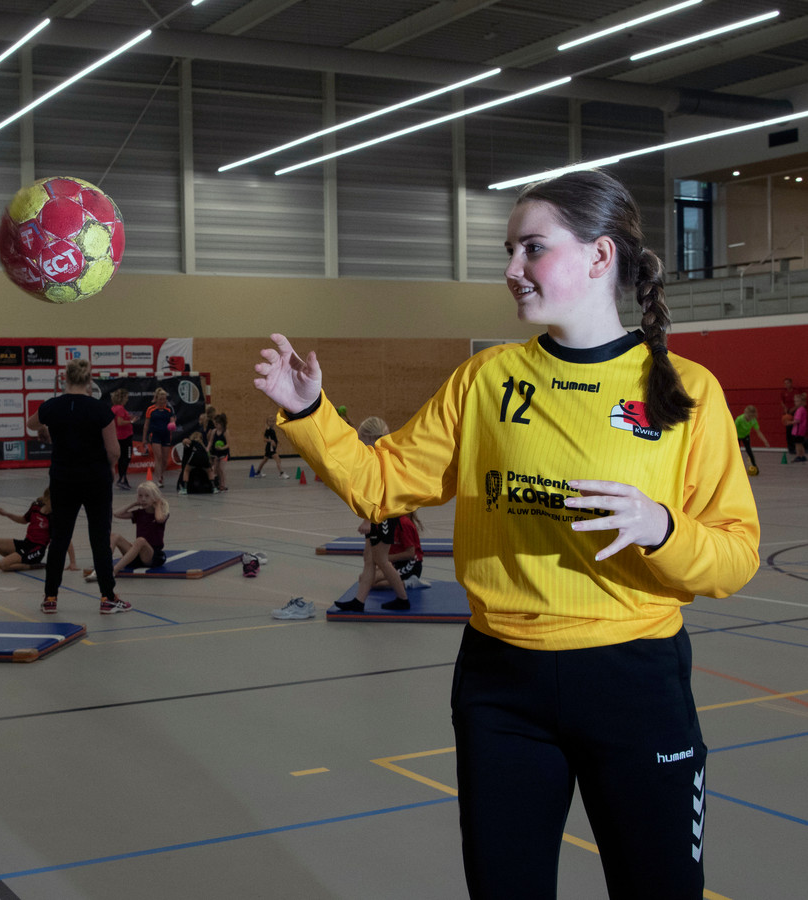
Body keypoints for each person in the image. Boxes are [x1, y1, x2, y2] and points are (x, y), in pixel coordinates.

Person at [254, 169, 759, 899]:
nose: (512, 268)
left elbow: (735, 555)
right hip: (501, 686)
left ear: (600, 255)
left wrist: (663, 528)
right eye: (509, 251)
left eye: (533, 248)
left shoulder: (687, 391)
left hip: (634, 682)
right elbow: (381, 483)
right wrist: (309, 414)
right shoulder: (486, 380)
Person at [29, 358, 128, 614]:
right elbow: (114, 450)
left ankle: (50, 597)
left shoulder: (52, 406)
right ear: (89, 381)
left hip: (63, 480)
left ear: (65, 378)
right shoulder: (100, 409)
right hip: (96, 481)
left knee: (60, 538)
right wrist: (111, 469)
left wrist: (46, 428)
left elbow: (31, 424)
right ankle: (108, 597)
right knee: (99, 539)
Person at [331, 417, 411, 612]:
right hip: (380, 513)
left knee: (381, 559)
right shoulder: (382, 454)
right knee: (369, 558)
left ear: (369, 437)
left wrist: (368, 520)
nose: (359, 441)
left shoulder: (377, 458)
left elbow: (376, 491)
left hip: (382, 515)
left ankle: (402, 598)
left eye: (361, 438)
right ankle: (359, 601)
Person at [90, 482, 169, 579]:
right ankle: (103, 567)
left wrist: (158, 504)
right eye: (140, 496)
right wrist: (134, 504)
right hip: (137, 556)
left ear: (155, 498)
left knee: (140, 540)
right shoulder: (139, 513)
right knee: (115, 536)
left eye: (147, 496)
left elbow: (159, 519)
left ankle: (114, 571)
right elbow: (117, 514)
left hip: (152, 556)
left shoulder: (163, 512)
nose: (143, 499)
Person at [0, 489, 76, 572]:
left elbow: (66, 538)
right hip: (26, 543)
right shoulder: (35, 507)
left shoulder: (54, 517)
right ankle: (19, 559)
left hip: (37, 550)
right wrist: (6, 514)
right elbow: (23, 520)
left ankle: (31, 565)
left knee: (2, 565)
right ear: (46, 500)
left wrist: (72, 562)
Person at [142, 387, 176, 487]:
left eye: (164, 399)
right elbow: (146, 425)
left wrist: (173, 423)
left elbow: (172, 420)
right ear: (156, 399)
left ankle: (161, 474)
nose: (163, 401)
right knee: (158, 457)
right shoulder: (150, 409)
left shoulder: (169, 409)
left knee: (165, 460)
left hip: (166, 435)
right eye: (161, 399)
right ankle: (159, 479)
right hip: (155, 435)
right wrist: (144, 439)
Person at [109, 388, 135, 490]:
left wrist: (128, 418)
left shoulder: (114, 408)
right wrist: (131, 421)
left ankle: (122, 478)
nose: (127, 400)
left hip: (119, 436)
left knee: (122, 459)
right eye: (126, 398)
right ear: (122, 398)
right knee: (126, 458)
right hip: (125, 437)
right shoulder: (119, 408)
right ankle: (122, 478)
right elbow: (119, 422)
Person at [733, 405, 769, 472]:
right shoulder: (739, 419)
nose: (749, 419)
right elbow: (732, 429)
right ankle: (735, 467)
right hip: (737, 436)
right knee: (736, 451)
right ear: (745, 413)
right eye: (748, 417)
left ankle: (754, 465)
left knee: (749, 450)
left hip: (746, 436)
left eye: (751, 417)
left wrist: (765, 441)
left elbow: (758, 432)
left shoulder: (753, 421)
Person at [209, 412, 232, 491]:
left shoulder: (225, 432)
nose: (215, 425)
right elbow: (210, 442)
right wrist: (207, 448)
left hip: (224, 454)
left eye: (217, 424)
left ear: (221, 424)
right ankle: (217, 483)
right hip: (216, 453)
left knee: (221, 469)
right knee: (215, 469)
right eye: (215, 423)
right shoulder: (214, 431)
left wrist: (222, 448)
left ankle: (223, 485)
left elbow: (228, 444)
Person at [780, 377, 797, 452]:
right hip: (787, 413)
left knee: (796, 429)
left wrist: (794, 408)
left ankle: (797, 446)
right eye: (785, 383)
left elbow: (799, 401)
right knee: (788, 430)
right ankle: (790, 447)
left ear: (791, 383)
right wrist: (785, 408)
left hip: (795, 412)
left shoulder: (796, 391)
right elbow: (782, 402)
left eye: (788, 383)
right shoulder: (783, 392)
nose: (786, 385)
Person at [792, 393, 808, 463]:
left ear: (801, 402)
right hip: (802, 430)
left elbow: (797, 420)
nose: (795, 402)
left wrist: (789, 422)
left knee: (797, 444)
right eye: (795, 401)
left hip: (798, 430)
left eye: (797, 401)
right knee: (800, 444)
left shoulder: (799, 410)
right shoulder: (803, 409)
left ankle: (799, 456)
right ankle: (803, 456)